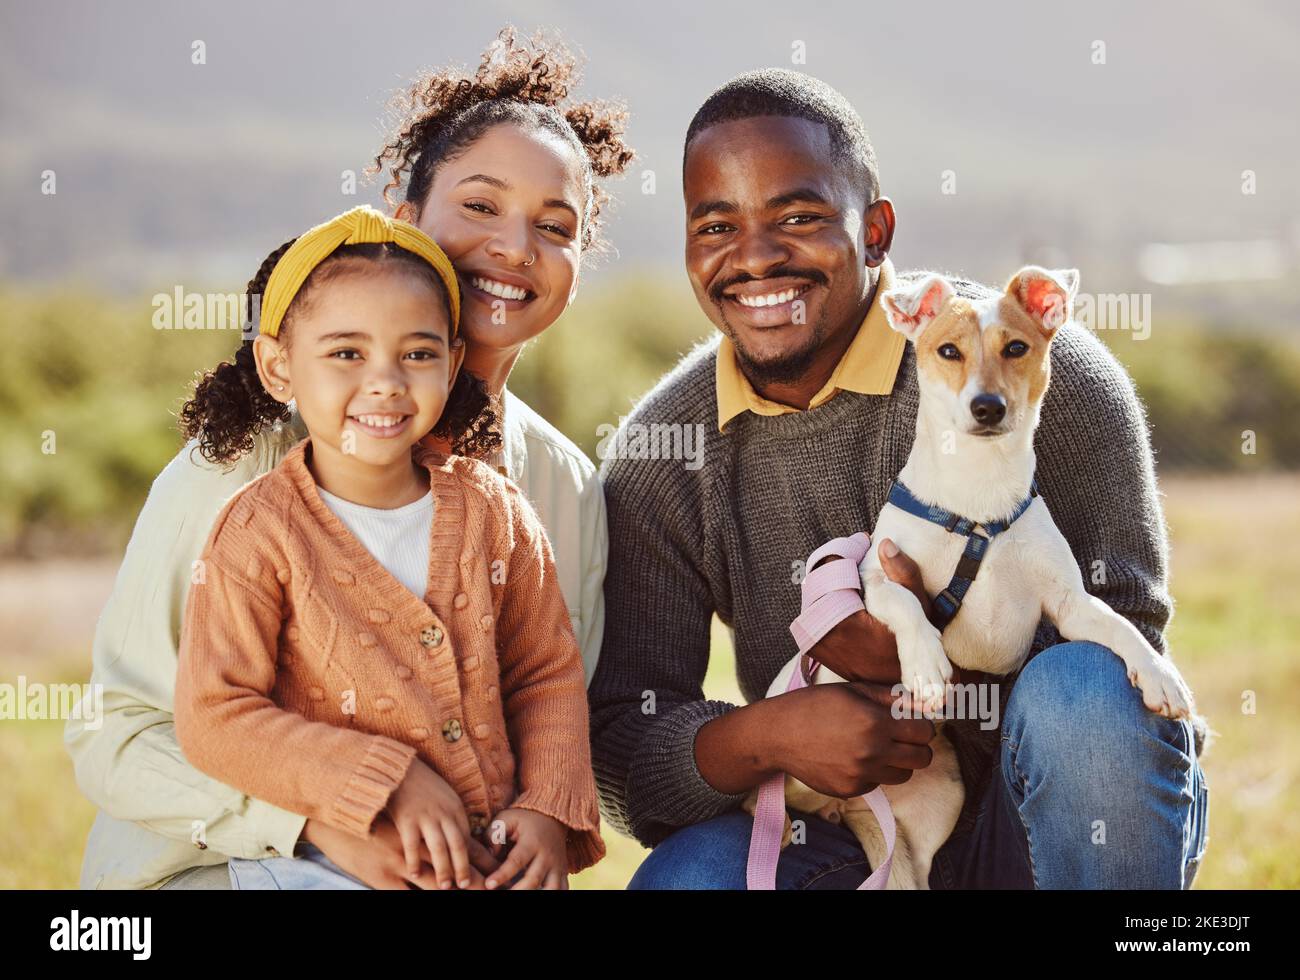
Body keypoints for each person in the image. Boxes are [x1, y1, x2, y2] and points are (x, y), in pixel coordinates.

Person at [589, 68, 1210, 889]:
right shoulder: (663, 453)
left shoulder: (1033, 376)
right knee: (687, 880)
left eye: (800, 216)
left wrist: (931, 648)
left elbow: (1122, 675)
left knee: (1085, 697)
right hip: (849, 834)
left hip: (1049, 825)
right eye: (716, 226)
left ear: (876, 230)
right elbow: (629, 745)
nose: (756, 256)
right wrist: (770, 736)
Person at [64, 27, 632, 889]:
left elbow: (548, 695)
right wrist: (307, 826)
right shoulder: (245, 467)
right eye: (479, 206)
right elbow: (116, 734)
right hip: (210, 870)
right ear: (405, 225)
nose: (515, 247)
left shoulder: (560, 487)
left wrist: (543, 814)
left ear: (577, 265)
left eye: (554, 227)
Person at [169, 205, 602, 891]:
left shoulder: (496, 513)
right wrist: (385, 778)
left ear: (453, 363)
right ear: (279, 368)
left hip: (485, 859)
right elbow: (215, 716)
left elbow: (543, 674)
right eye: (347, 353)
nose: (386, 381)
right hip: (325, 862)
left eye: (418, 354)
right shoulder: (257, 532)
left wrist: (547, 808)